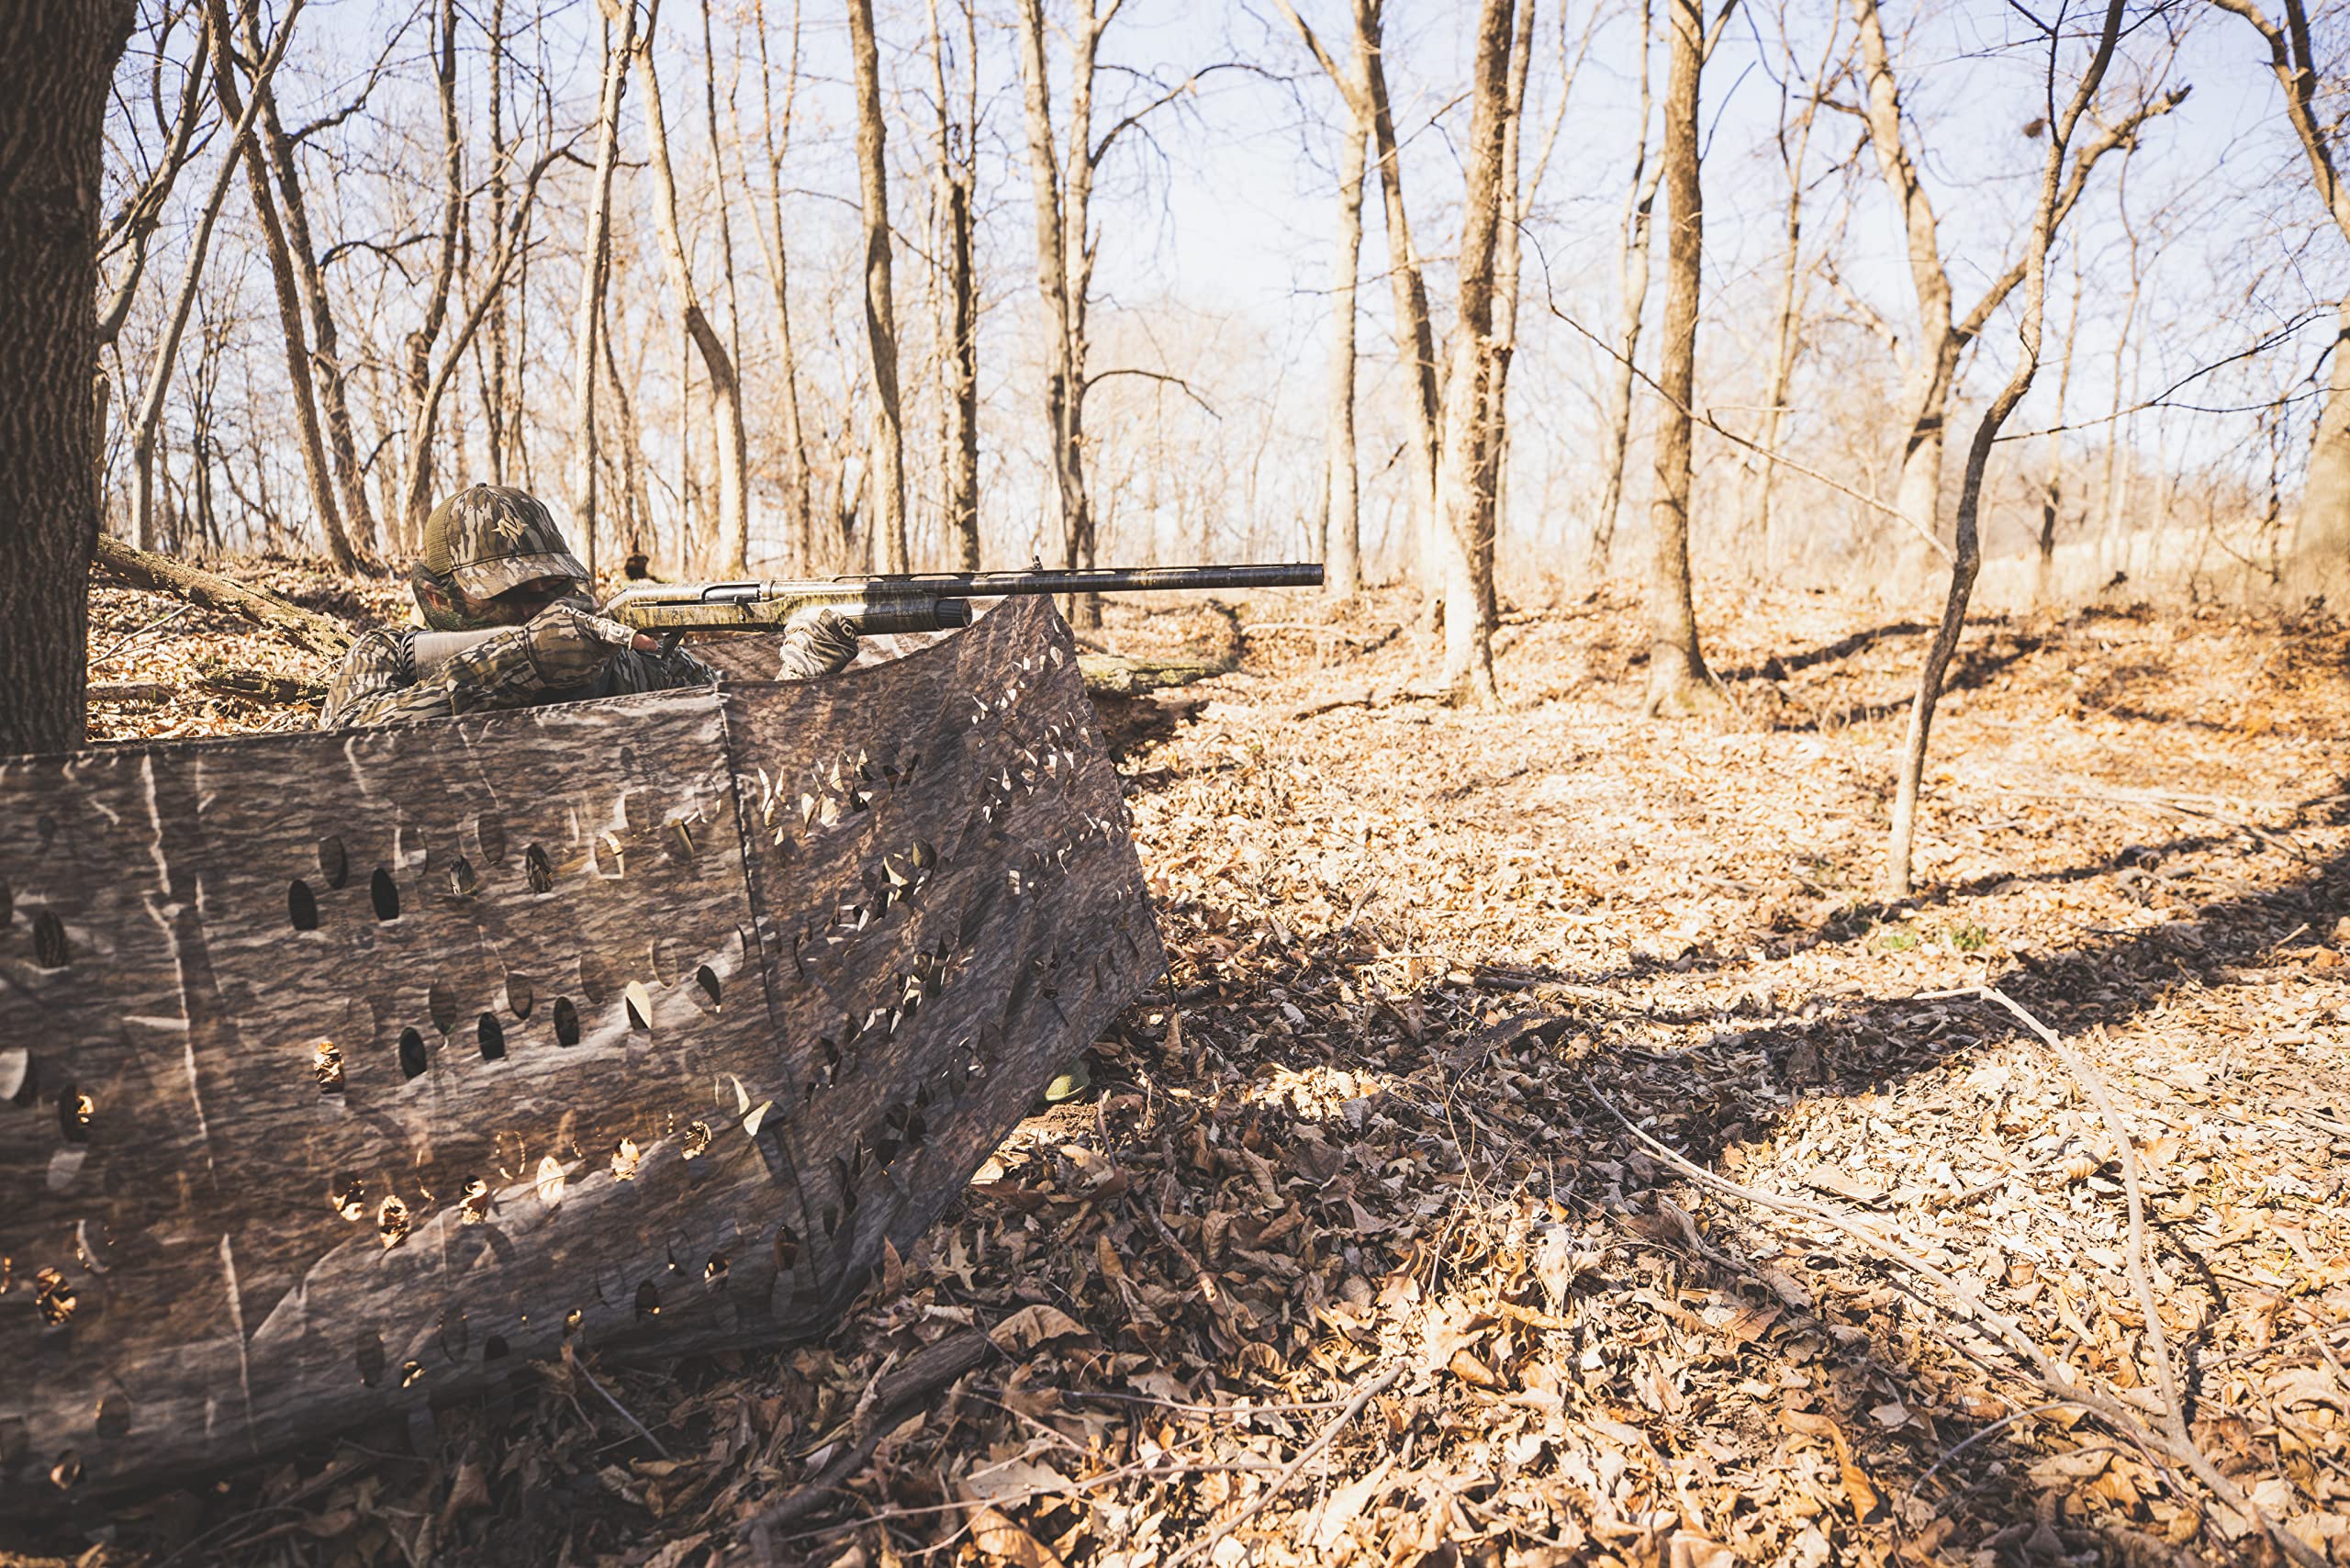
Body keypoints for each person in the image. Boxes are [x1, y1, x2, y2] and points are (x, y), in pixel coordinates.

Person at [320, 485, 858, 728]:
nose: (543, 608)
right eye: (512, 595)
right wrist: (521, 662)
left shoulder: (620, 652)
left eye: (553, 587)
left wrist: (799, 683)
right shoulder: (388, 655)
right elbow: (344, 745)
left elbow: (740, 728)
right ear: (438, 600)